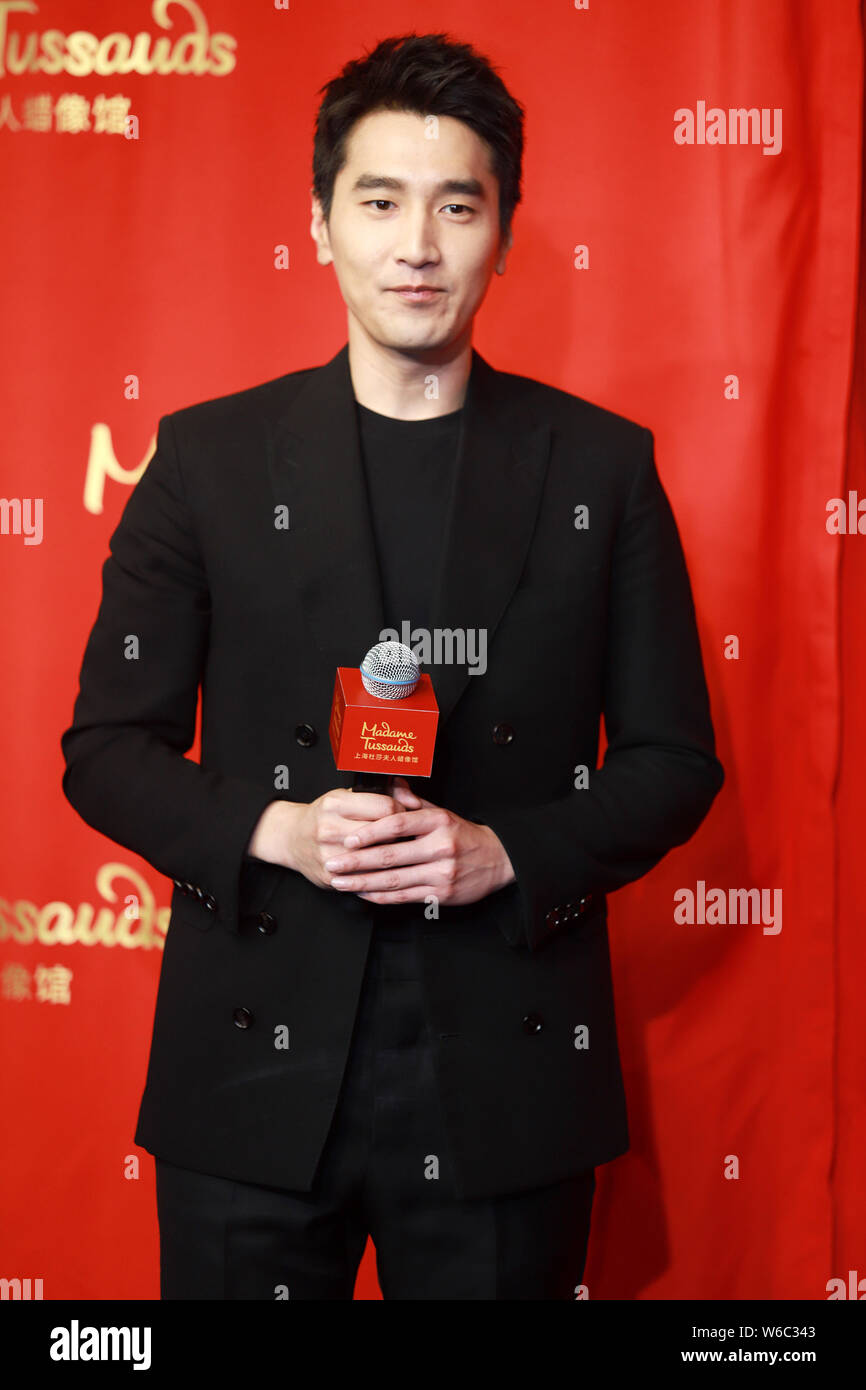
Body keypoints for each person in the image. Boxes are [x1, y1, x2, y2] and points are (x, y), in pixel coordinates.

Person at [61, 31, 724, 1300]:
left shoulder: (599, 469)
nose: (415, 242)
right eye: (377, 201)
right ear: (319, 223)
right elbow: (105, 748)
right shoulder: (206, 462)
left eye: (455, 204)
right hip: (251, 1072)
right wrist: (276, 832)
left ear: (502, 231)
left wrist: (509, 851)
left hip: (503, 1077)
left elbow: (669, 761)